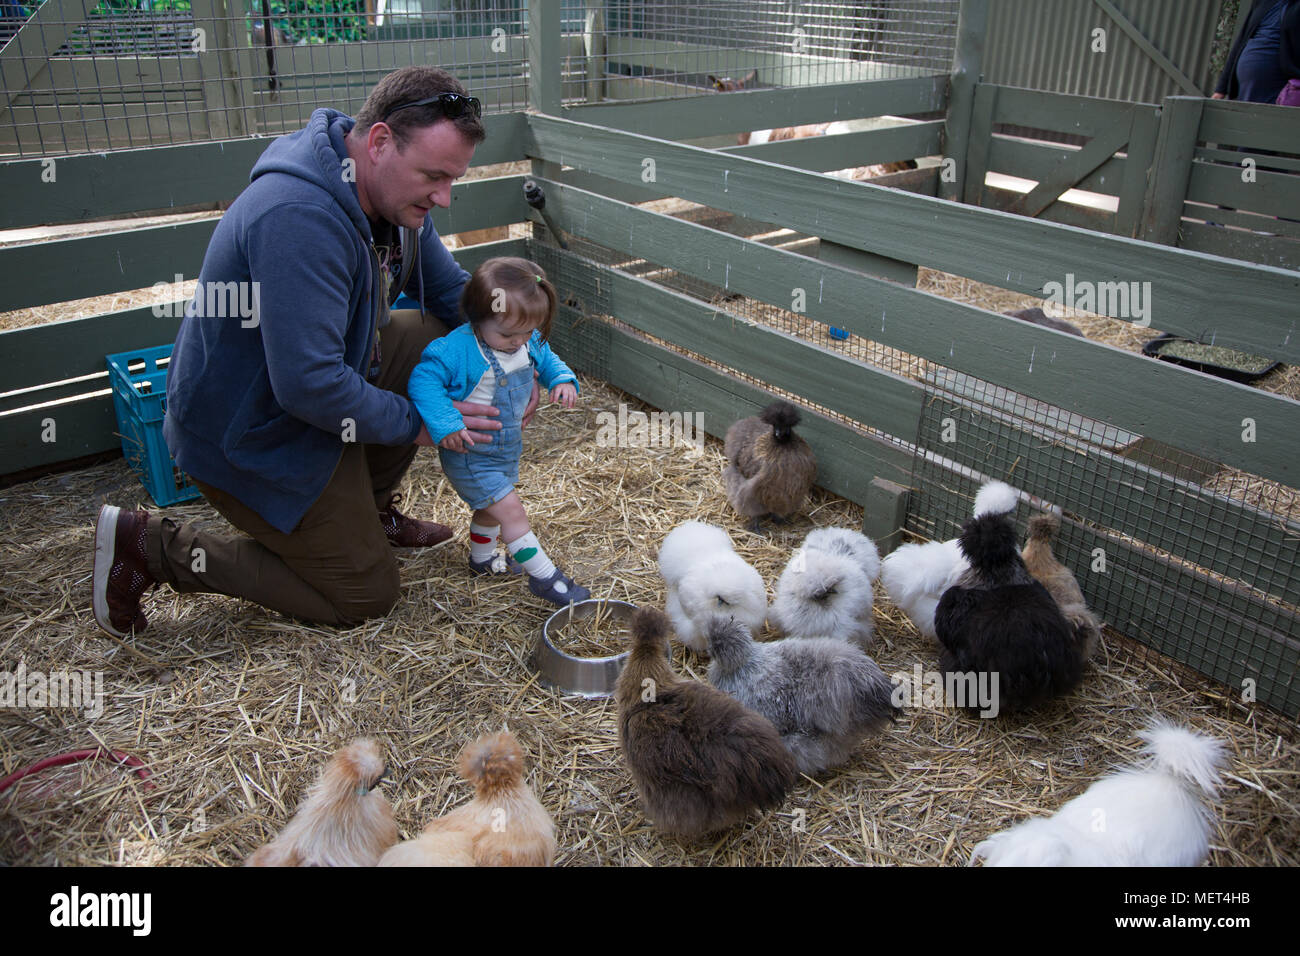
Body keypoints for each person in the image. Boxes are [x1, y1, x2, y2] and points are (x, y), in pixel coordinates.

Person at [92, 66, 539, 637]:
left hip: (316, 404)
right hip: (251, 432)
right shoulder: (297, 217)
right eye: (434, 175)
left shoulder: (396, 201)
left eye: (454, 178)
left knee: (431, 332)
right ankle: (152, 548)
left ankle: (368, 512)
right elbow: (309, 385)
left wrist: (525, 358)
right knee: (365, 594)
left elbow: (456, 295)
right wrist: (423, 420)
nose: (445, 198)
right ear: (379, 142)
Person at [408, 257, 591, 606]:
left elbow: (548, 358)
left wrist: (563, 379)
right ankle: (546, 578)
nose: (518, 342)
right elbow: (423, 381)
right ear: (478, 317)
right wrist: (445, 422)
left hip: (505, 450)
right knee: (512, 513)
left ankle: (482, 562)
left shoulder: (526, 341)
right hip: (470, 455)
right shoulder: (457, 349)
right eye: (508, 334)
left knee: (490, 510)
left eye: (527, 332)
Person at [1213, 0, 1300, 105]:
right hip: (1246, 90)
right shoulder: (1263, 2)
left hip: (1280, 90)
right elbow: (1241, 39)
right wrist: (1221, 88)